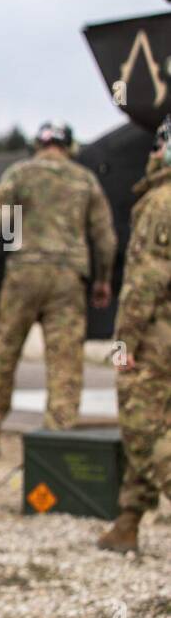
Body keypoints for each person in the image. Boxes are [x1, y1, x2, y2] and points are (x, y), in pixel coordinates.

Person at [0, 121, 117, 458]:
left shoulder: (20, 173)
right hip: (68, 279)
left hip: (25, 273)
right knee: (65, 358)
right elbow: (105, 238)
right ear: (69, 147)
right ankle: (58, 439)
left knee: (5, 349)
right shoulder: (85, 180)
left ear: (39, 144)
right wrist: (103, 280)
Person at [98, 116, 171, 553]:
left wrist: (124, 342)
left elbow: (145, 282)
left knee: (143, 431)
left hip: (156, 340)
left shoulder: (160, 202)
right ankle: (127, 523)